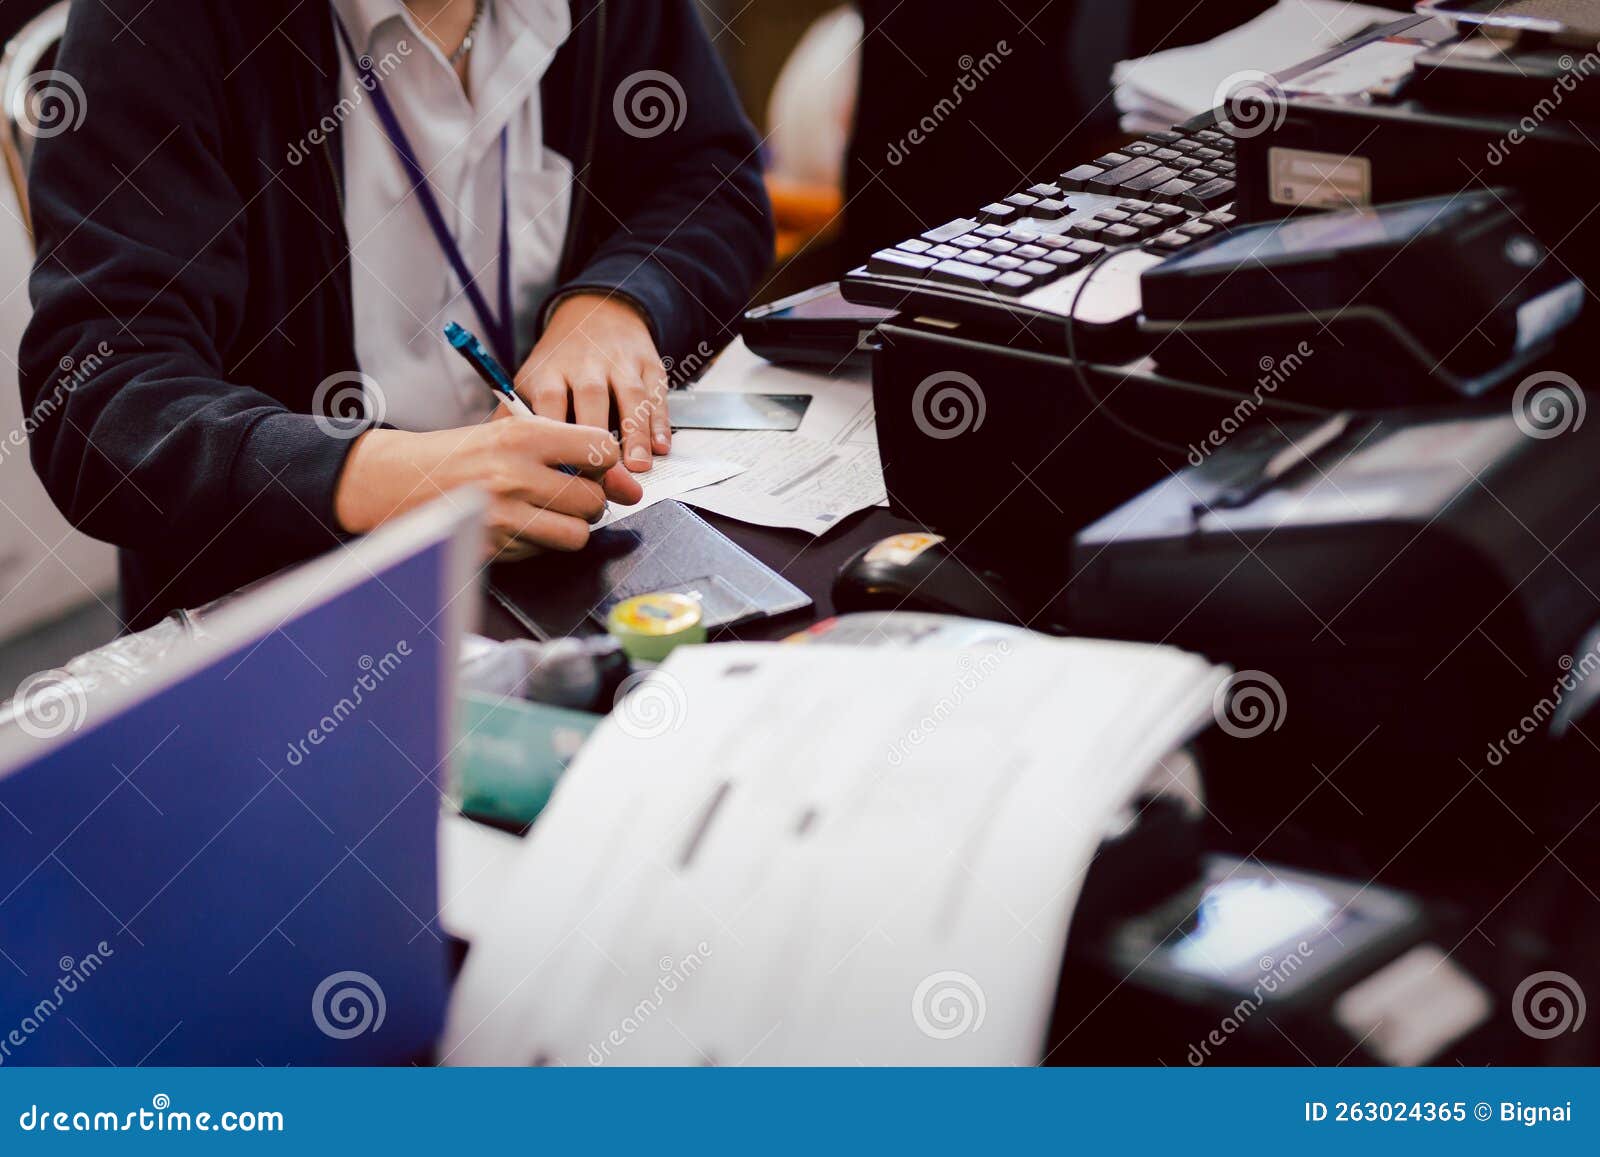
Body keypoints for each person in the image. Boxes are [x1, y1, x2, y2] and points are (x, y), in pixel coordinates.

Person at [19, 0, 773, 630]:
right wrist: (393, 480)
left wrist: (615, 303)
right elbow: (98, 405)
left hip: (577, 547)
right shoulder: (159, 21)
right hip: (299, 610)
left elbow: (711, 184)